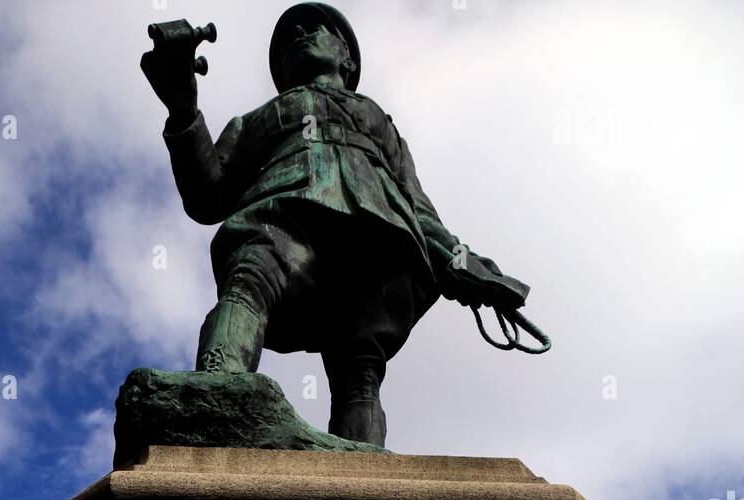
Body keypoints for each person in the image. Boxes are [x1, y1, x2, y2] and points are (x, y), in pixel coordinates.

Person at [142, 4, 540, 447]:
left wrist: (466, 266)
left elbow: (421, 210)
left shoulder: (380, 122)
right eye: (291, 34)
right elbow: (206, 196)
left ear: (347, 58)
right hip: (283, 215)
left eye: (318, 28)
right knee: (249, 281)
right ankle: (216, 389)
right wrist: (183, 111)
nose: (301, 33)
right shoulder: (257, 119)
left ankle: (362, 483)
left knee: (360, 367)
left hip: (380, 238)